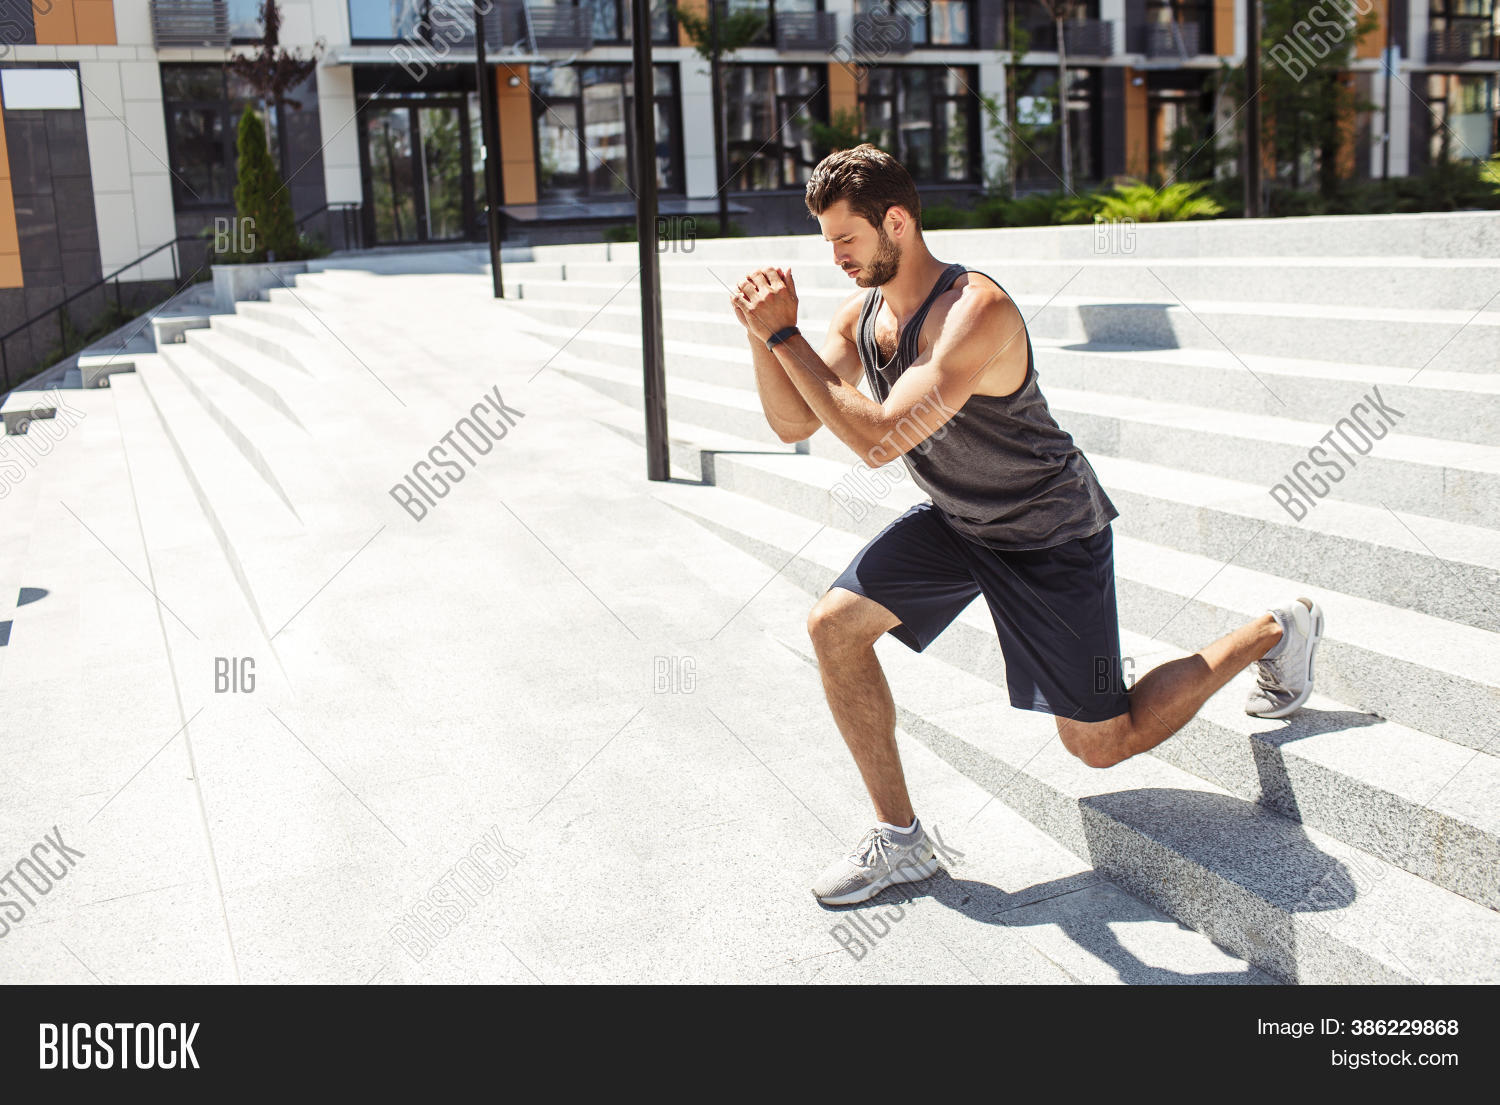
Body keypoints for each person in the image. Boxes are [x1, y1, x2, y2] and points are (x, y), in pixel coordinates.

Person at [727, 145, 1324, 907]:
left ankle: (1280, 628)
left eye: (845, 238)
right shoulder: (865, 318)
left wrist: (786, 338)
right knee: (834, 625)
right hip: (962, 523)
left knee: (1102, 742)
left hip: (1049, 535)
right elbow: (788, 422)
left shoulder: (976, 312)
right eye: (827, 242)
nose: (835, 256)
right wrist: (760, 332)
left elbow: (878, 439)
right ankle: (902, 840)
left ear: (898, 222)